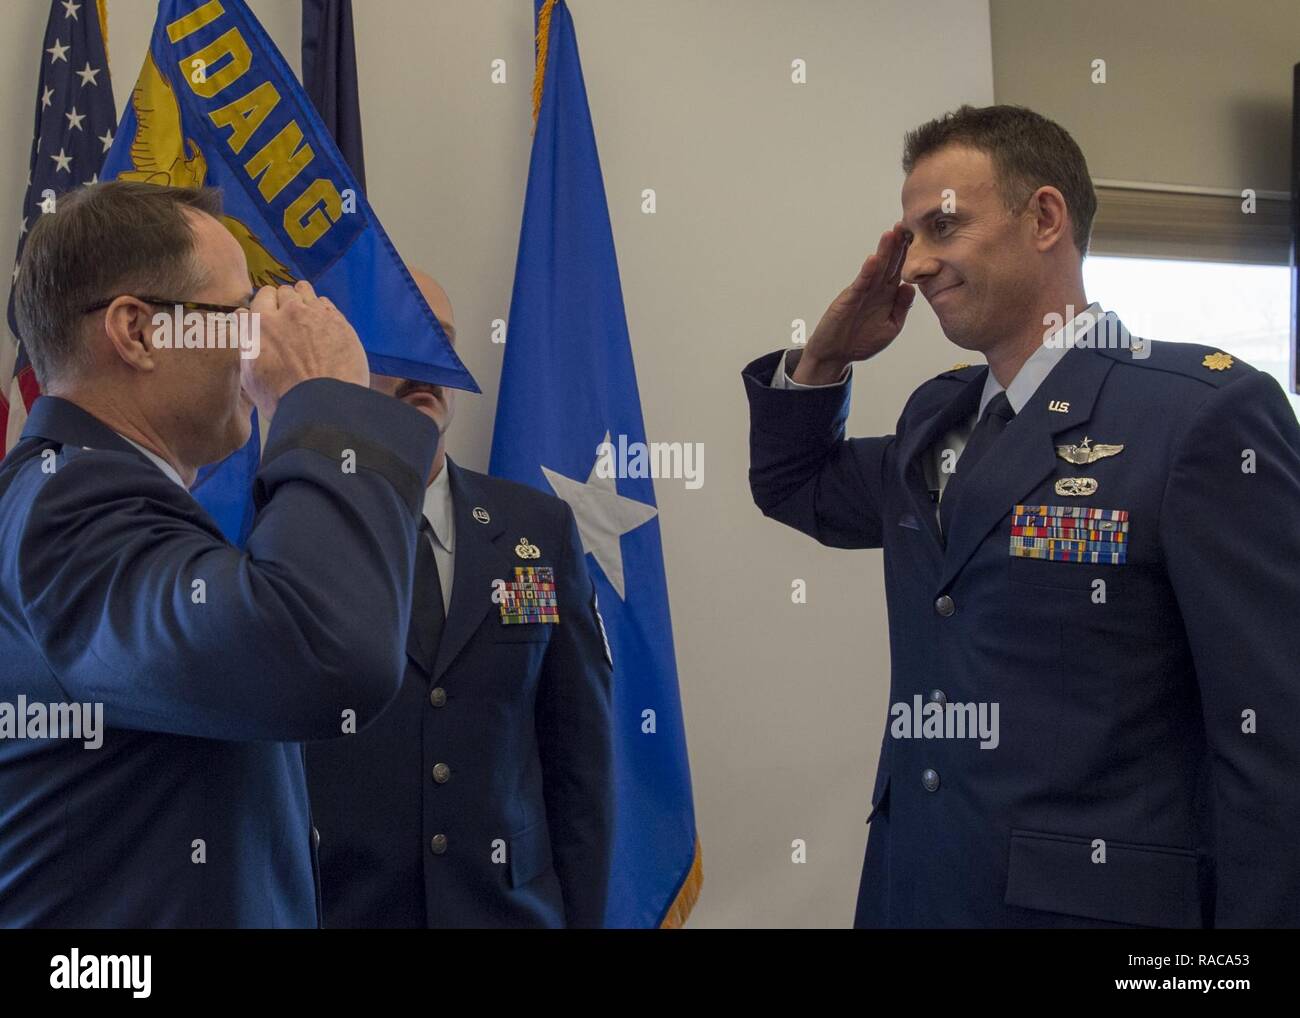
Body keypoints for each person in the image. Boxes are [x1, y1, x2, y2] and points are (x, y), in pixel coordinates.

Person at [743, 104, 1300, 928]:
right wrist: (823, 360)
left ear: (1044, 218)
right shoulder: (937, 420)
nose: (917, 266)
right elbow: (797, 484)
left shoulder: (1198, 415)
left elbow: (1274, 742)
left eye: (943, 228)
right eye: (909, 240)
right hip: (917, 892)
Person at [0, 181, 440, 927]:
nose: (258, 343)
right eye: (239, 315)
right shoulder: (67, 512)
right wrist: (322, 399)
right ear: (138, 332)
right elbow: (326, 656)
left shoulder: (79, 493)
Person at [305, 269, 614, 928]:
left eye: (440, 343)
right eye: (403, 342)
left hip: (513, 912)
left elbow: (578, 755)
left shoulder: (539, 529)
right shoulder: (294, 528)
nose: (426, 368)